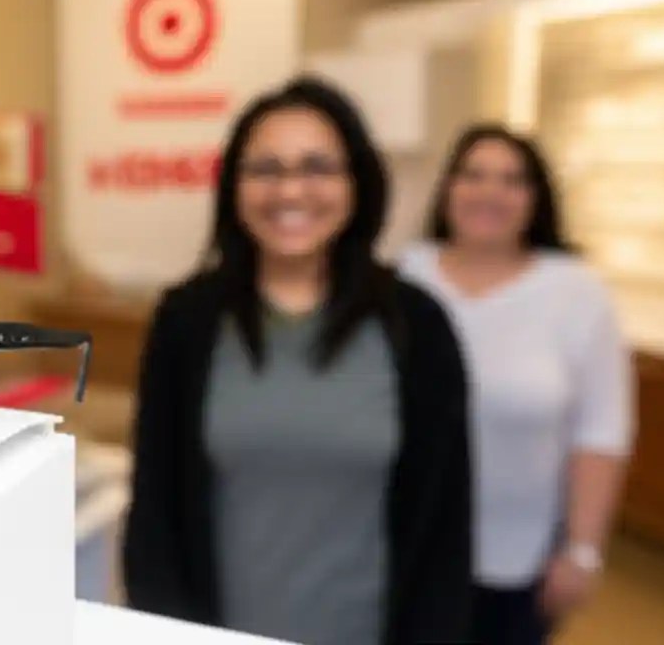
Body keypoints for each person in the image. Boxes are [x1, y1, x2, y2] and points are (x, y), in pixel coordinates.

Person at [122, 76, 473, 645]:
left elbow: (444, 537)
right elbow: (155, 518)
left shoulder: (418, 325)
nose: (291, 191)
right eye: (265, 169)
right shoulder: (187, 320)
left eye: (318, 167)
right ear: (233, 186)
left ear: (357, 182)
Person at [399, 124, 634, 645]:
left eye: (513, 180)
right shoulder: (404, 278)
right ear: (448, 189)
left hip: (520, 565)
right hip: (407, 552)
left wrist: (583, 550)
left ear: (536, 199)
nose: (490, 193)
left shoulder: (575, 291)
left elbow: (601, 431)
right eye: (473, 175)